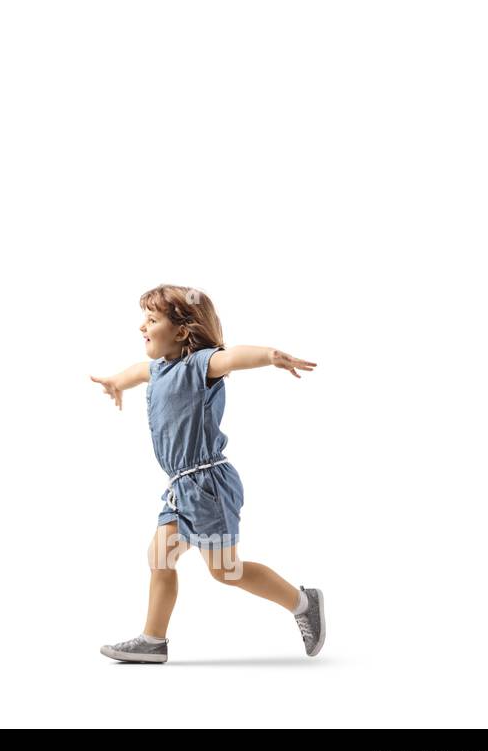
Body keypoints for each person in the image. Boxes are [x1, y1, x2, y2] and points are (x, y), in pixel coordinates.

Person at [89, 284, 323, 663]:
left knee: (227, 571)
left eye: (151, 320)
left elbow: (231, 359)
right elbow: (137, 372)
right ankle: (153, 640)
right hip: (181, 488)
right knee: (160, 557)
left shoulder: (198, 366)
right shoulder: (160, 369)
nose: (141, 327)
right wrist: (116, 382)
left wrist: (269, 356)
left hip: (208, 485)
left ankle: (303, 601)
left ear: (181, 332)